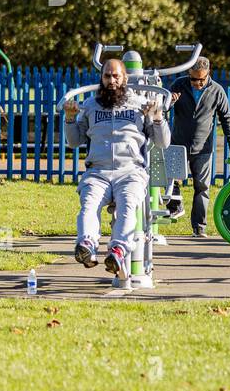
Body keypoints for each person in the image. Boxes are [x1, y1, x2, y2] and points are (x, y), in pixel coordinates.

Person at [64, 58, 169, 279]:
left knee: (128, 206)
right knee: (88, 204)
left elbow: (162, 142)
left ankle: (118, 250)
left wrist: (157, 117)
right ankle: (87, 245)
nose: (111, 81)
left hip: (130, 171)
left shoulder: (140, 105)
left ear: (125, 79)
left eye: (116, 76)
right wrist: (70, 119)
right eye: (107, 76)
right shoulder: (91, 106)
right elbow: (74, 142)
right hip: (98, 172)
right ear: (101, 79)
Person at [167, 57, 230, 237]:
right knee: (170, 180)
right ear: (188, 74)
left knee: (202, 188)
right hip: (179, 143)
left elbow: (226, 118)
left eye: (202, 79)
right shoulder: (179, 85)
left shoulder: (216, 90)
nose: (198, 83)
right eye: (194, 79)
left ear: (208, 74)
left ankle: (199, 227)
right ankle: (175, 206)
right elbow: (161, 109)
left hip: (203, 148)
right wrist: (170, 102)